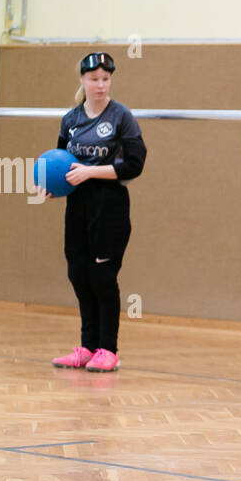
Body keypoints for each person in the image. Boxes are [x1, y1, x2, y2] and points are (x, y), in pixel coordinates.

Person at [45, 52, 146, 373]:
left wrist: (90, 171)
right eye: (94, 79)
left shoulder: (121, 116)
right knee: (79, 274)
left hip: (109, 204)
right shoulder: (71, 119)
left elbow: (135, 163)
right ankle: (87, 347)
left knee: (103, 277)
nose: (100, 85)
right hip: (78, 205)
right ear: (82, 80)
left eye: (105, 79)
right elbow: (59, 160)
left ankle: (108, 349)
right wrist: (50, 185)